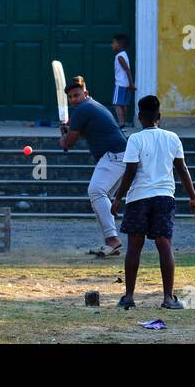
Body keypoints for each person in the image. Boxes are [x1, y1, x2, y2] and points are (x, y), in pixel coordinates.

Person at [111, 95, 195, 310]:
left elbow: (130, 171)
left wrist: (118, 198)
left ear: (139, 117)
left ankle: (129, 297)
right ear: (159, 116)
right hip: (164, 198)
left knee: (134, 247)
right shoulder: (172, 138)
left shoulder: (135, 139)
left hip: (138, 198)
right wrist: (193, 197)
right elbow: (182, 169)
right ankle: (168, 298)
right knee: (164, 245)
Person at [57, 75, 127, 255]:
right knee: (99, 200)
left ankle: (112, 239)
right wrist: (68, 131)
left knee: (96, 192)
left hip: (114, 155)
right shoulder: (92, 105)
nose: (73, 100)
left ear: (85, 93)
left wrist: (63, 139)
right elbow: (82, 132)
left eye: (76, 95)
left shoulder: (83, 109)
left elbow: (69, 143)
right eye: (70, 97)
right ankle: (111, 244)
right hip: (121, 156)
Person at [111, 33, 135, 127]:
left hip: (120, 84)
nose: (112, 45)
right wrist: (130, 83)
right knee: (124, 104)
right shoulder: (124, 55)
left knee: (117, 104)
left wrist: (132, 84)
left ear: (119, 45)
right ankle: (124, 122)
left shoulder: (119, 57)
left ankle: (121, 123)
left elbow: (127, 69)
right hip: (125, 84)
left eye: (113, 43)